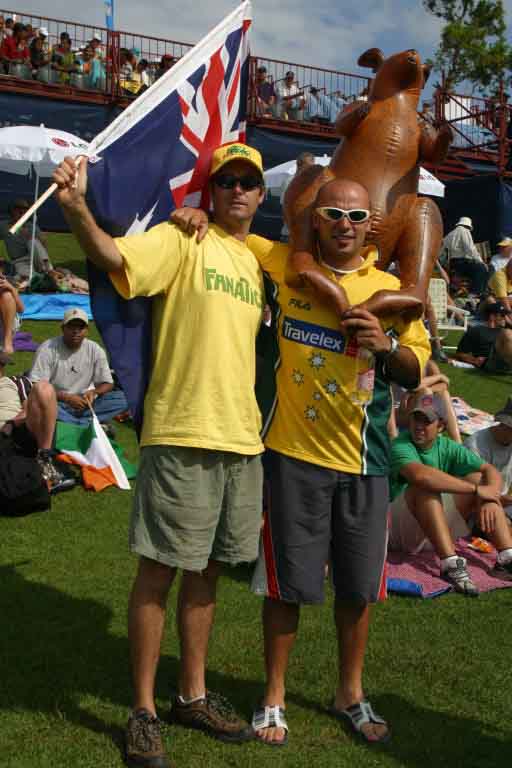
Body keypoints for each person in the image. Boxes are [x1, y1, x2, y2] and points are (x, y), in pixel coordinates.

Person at [171, 177, 431, 746]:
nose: (344, 223)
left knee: (359, 590)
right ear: (317, 220)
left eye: (356, 216)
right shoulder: (282, 263)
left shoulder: (390, 288)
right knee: (286, 587)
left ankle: (350, 693)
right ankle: (273, 695)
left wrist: (385, 348)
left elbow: (417, 367)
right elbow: (231, 234)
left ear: (371, 227)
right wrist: (195, 214)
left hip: (365, 461)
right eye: (333, 213)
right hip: (291, 456)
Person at [52, 142, 270, 767]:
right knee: (159, 572)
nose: (236, 190)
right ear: (213, 188)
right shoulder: (183, 239)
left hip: (242, 440)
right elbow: (113, 255)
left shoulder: (257, 263)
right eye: (225, 179)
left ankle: (191, 696)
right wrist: (74, 206)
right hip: (182, 432)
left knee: (206, 575)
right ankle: (144, 710)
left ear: (260, 196)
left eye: (247, 182)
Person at [389, 391, 512, 595]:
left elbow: (489, 471)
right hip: (396, 531)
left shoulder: (447, 446)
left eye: (426, 421)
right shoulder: (400, 444)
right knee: (427, 487)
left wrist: (489, 496)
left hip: (428, 526)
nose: (419, 426)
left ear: (441, 426)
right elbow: (421, 476)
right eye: (416, 419)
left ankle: (507, 557)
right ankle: (450, 564)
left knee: (476, 477)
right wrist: (477, 490)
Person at [29, 308, 128, 427]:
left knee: (124, 398)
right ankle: (87, 425)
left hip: (85, 403)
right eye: (71, 327)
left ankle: (72, 424)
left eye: (80, 327)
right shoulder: (47, 349)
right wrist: (66, 398)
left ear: (87, 330)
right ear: (63, 328)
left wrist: (94, 392)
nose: (76, 331)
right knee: (39, 402)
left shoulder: (95, 350)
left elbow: (108, 383)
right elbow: (36, 386)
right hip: (56, 402)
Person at [0, 351, 62, 488]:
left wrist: (11, 423)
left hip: (17, 433)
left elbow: (31, 409)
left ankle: (45, 459)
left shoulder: (16, 381)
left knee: (44, 388)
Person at [465, 398, 512, 524]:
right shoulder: (475, 446)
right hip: (477, 507)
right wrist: (504, 500)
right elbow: (474, 494)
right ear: (505, 425)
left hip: (501, 504)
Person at [0, 198, 52, 282]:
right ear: (12, 211)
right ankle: (44, 277)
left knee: (33, 242)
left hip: (34, 258)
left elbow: (43, 244)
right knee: (29, 277)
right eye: (18, 209)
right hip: (18, 261)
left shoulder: (31, 226)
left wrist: (30, 236)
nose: (22, 212)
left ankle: (48, 270)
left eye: (25, 210)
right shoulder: (3, 226)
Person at [453, 300, 512, 372]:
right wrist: (474, 361)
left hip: (506, 359)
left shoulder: (504, 330)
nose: (505, 318)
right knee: (507, 333)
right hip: (493, 361)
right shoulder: (476, 331)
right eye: (502, 315)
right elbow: (460, 354)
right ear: (492, 316)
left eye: (505, 315)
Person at [439, 217, 488, 295]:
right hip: (462, 262)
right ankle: (477, 293)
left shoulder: (450, 234)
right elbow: (470, 249)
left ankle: (464, 291)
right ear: (468, 226)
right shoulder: (464, 231)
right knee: (481, 269)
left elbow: (442, 249)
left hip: (453, 263)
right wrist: (481, 262)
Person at [279, 151, 315, 242]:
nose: (312, 169)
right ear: (300, 165)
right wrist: (293, 231)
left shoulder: (311, 182)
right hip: (290, 235)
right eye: (310, 166)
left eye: (313, 166)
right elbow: (285, 208)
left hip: (306, 235)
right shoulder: (289, 181)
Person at [0, 274, 24, 355]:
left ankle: (8, 342)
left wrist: (12, 289)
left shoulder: (8, 286)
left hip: (7, 326)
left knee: (7, 296)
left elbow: (21, 309)